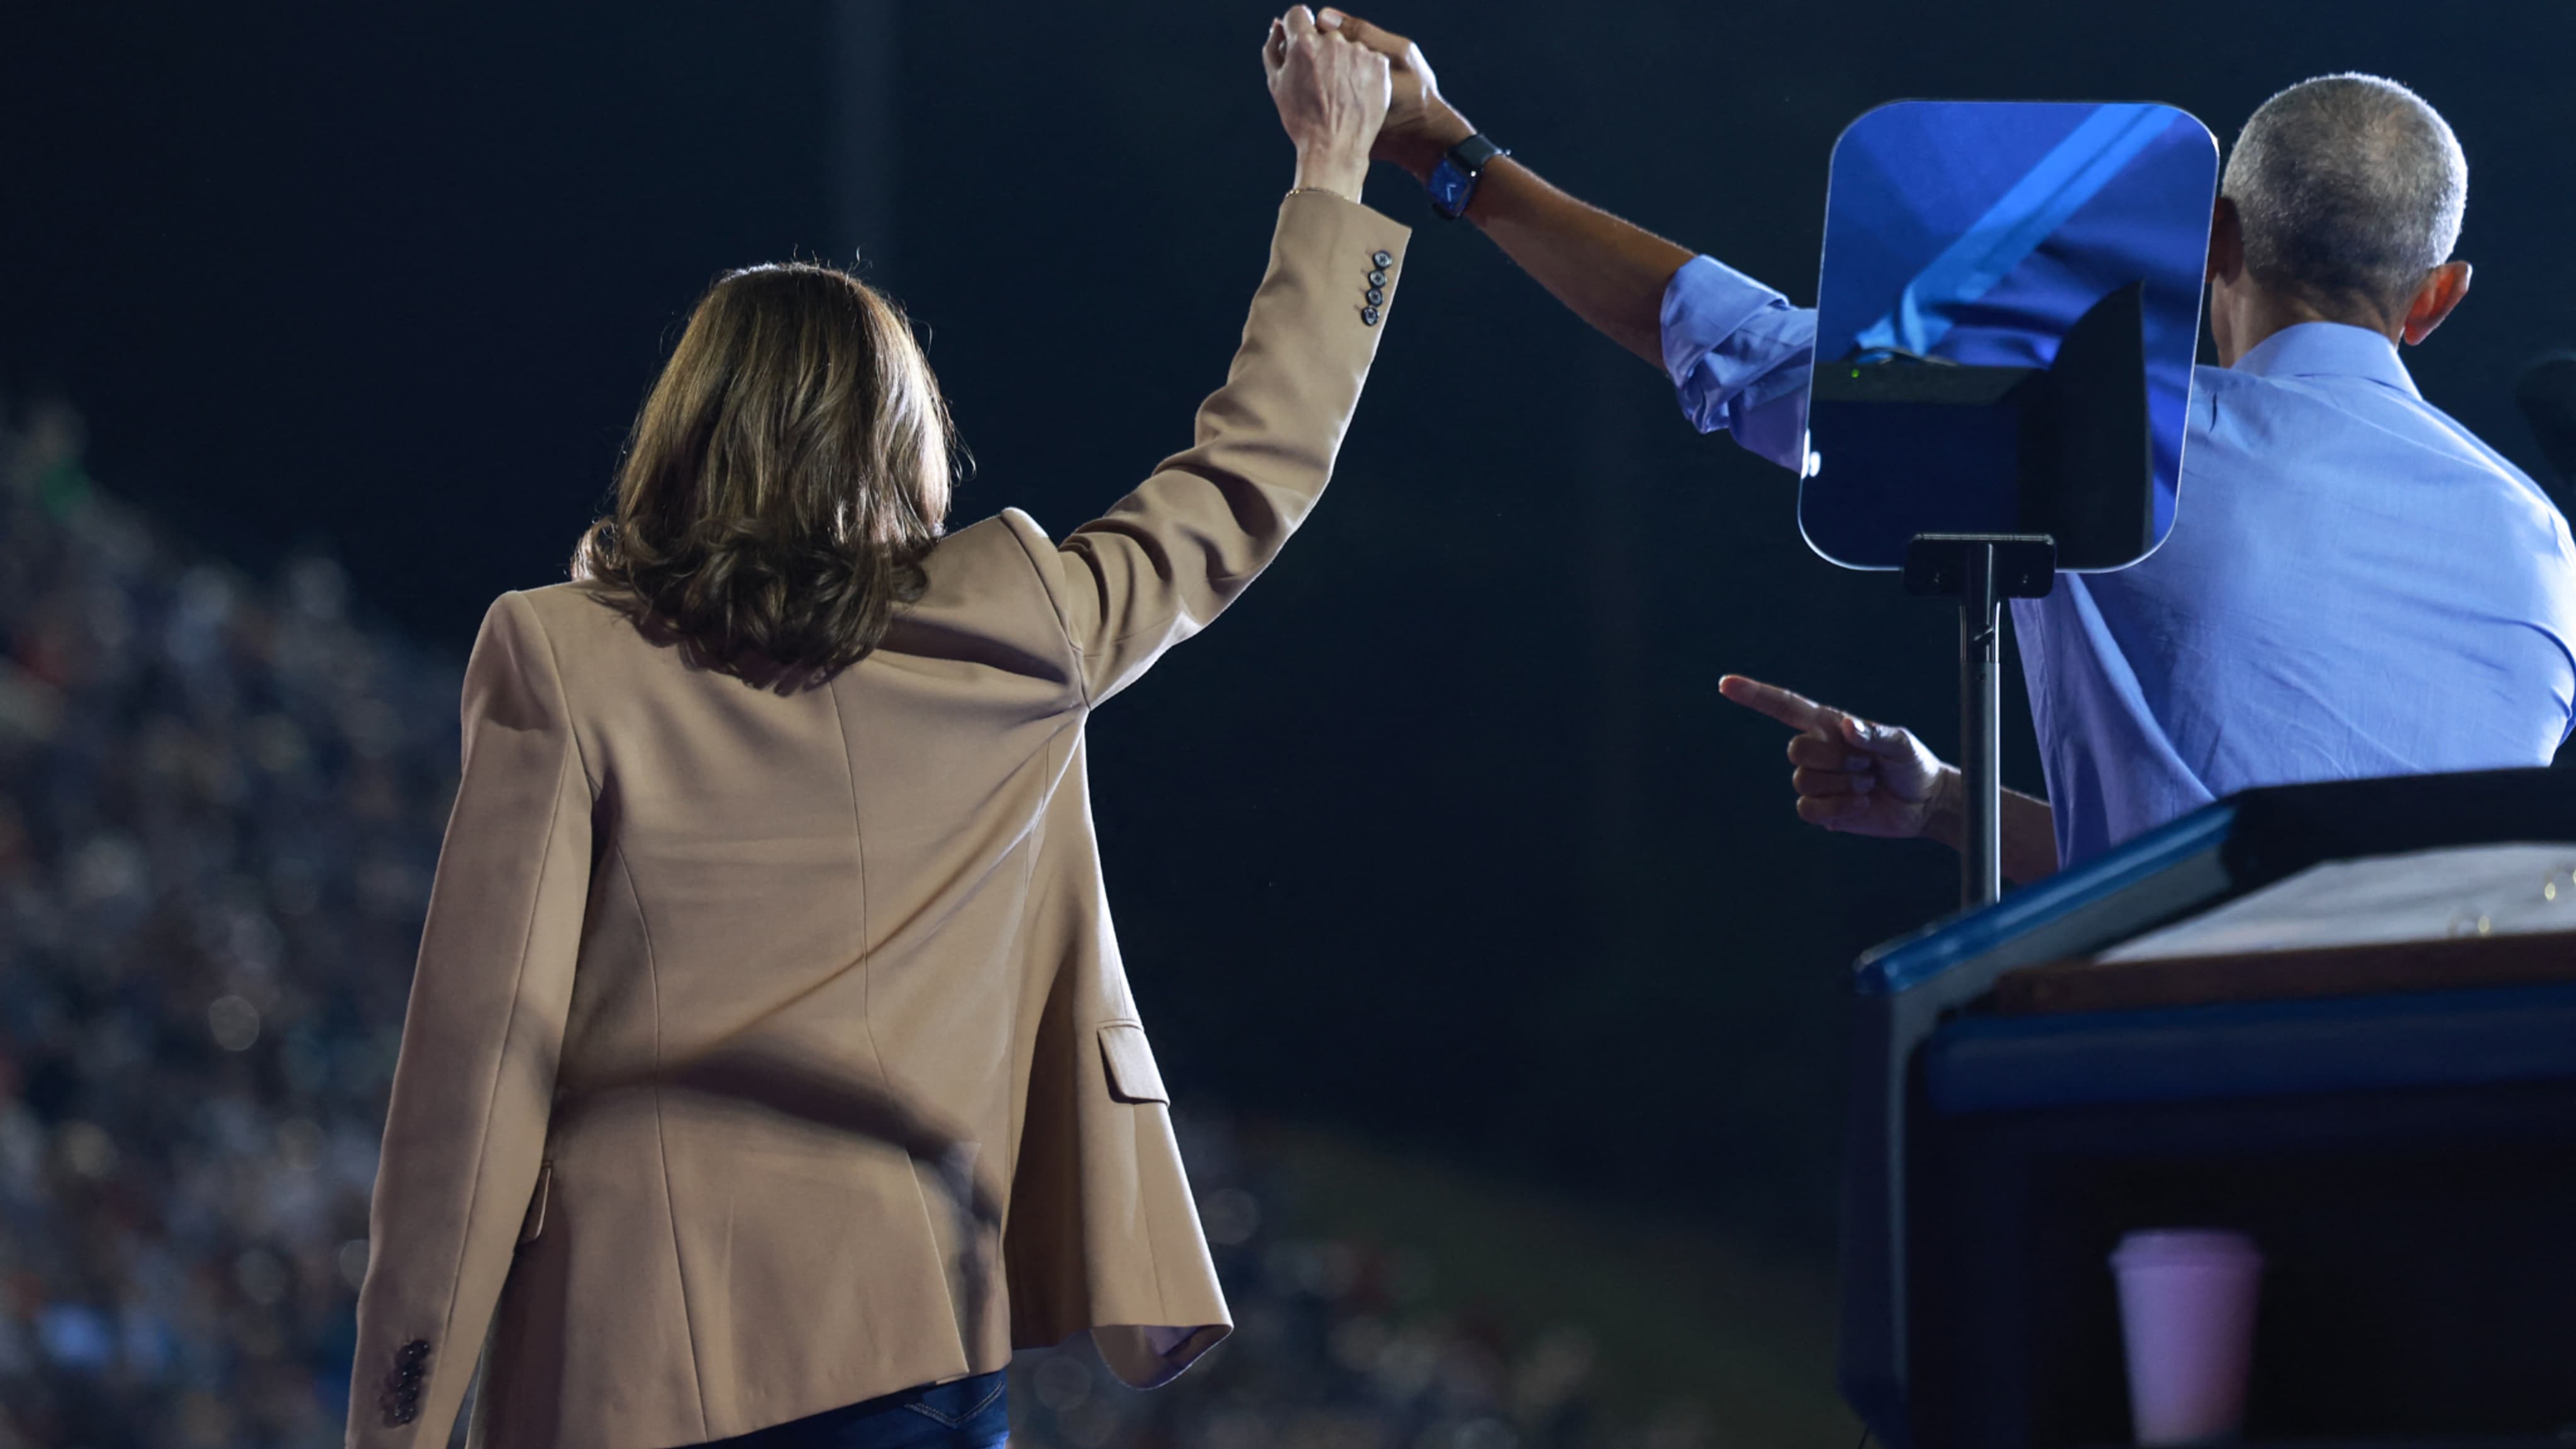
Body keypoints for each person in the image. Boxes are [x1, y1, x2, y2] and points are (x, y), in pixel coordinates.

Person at [345, 13, 1398, 1448]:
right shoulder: (1025, 628)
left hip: (634, 1370)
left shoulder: (562, 661)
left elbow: (475, 1090)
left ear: (686, 430)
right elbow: (1252, 466)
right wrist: (1331, 166)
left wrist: (397, 1426)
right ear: (905, 445)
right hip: (918, 1354)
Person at [1319, 11, 2576, 880]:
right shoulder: (2541, 542)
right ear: (2436, 298)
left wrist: (1444, 152)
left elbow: (1737, 352)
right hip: (2464, 1110)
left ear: (2214, 241)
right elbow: (2279, 869)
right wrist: (1939, 804)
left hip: (2181, 1089)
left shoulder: (2109, 434)